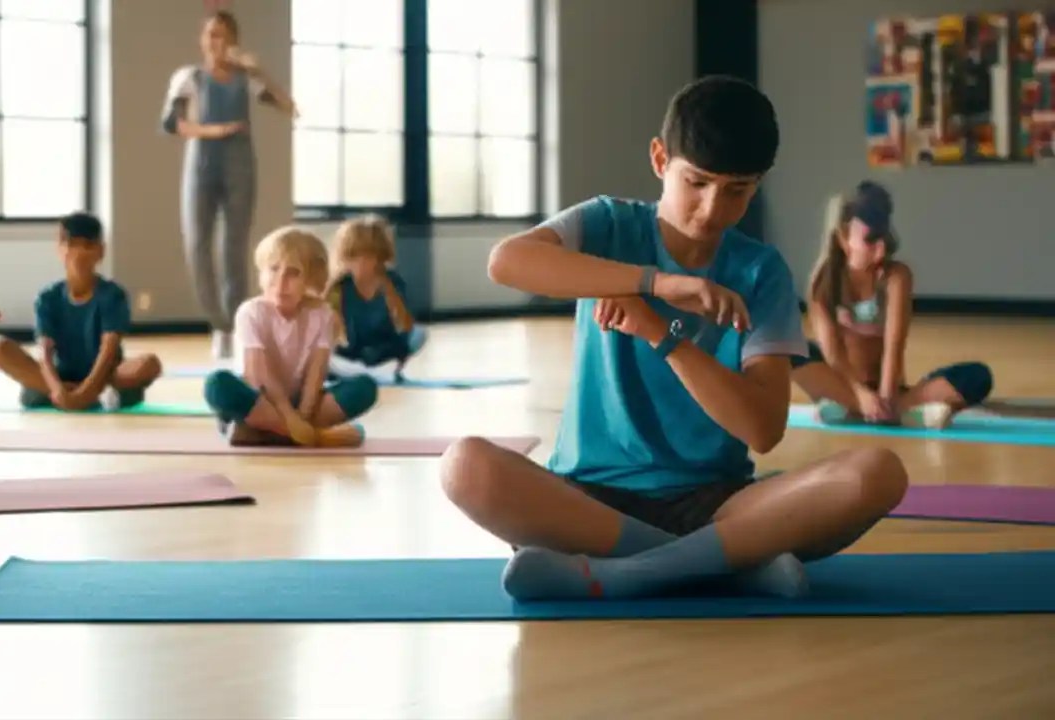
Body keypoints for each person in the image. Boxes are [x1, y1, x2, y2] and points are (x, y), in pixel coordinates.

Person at [438, 76, 909, 602]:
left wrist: (661, 332)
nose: (712, 209)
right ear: (661, 159)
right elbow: (505, 262)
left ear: (758, 184)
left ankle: (629, 572)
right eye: (697, 182)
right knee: (465, 466)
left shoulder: (760, 272)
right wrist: (655, 284)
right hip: (588, 502)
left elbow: (762, 428)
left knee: (876, 473)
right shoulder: (607, 225)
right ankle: (720, 568)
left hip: (715, 506)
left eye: (737, 191)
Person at [790, 181, 993, 428]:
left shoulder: (896, 277)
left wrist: (885, 397)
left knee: (978, 377)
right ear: (843, 238)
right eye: (870, 241)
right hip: (844, 385)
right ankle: (888, 412)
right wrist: (861, 396)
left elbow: (894, 346)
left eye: (884, 240)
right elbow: (833, 355)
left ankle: (868, 411)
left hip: (892, 390)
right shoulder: (822, 286)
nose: (880, 252)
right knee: (788, 347)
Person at [161, 9, 299, 361]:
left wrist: (258, 69)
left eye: (222, 35)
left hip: (239, 167)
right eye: (210, 34)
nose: (215, 42)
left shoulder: (245, 81)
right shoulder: (188, 78)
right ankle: (217, 322)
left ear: (233, 41)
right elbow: (172, 123)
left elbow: (288, 107)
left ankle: (233, 326)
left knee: (233, 248)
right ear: (202, 40)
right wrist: (216, 131)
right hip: (201, 165)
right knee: (197, 244)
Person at [203, 226, 378, 447]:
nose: (281, 280)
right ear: (261, 274)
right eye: (273, 269)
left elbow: (317, 373)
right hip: (258, 402)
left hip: (300, 405)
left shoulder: (321, 314)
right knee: (217, 385)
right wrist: (290, 418)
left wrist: (302, 415)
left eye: (293, 273)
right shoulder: (251, 312)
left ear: (310, 280)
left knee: (365, 387)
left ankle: (264, 433)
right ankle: (302, 434)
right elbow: (260, 375)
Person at [0, 212, 162, 411]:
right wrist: (57, 387)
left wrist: (87, 391)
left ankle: (75, 394)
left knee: (149, 364)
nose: (79, 253)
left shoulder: (113, 295)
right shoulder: (48, 297)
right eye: (72, 245)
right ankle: (60, 393)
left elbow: (109, 351)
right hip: (62, 374)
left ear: (100, 251)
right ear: (60, 250)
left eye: (87, 246)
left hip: (105, 376)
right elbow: (45, 351)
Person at [325, 214, 427, 380]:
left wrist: (389, 292)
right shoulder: (339, 286)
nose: (361, 263)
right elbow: (330, 329)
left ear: (380, 257)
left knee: (419, 335)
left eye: (369, 256)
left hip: (383, 348)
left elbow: (405, 325)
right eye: (355, 256)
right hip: (349, 349)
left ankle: (388, 368)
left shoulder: (392, 282)